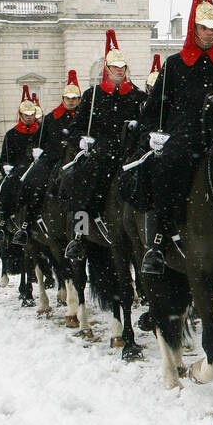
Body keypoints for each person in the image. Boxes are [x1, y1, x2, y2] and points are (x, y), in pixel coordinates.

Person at [135, 0, 213, 274]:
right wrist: (151, 135)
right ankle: (158, 241)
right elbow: (153, 109)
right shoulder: (174, 65)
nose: (210, 34)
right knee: (167, 167)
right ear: (193, 29)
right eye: (204, 28)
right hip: (185, 135)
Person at [64, 32, 146, 260]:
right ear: (107, 69)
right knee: (83, 177)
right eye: (115, 67)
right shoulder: (92, 96)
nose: (119, 71)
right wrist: (82, 140)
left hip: (131, 150)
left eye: (122, 67)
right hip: (103, 150)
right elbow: (75, 129)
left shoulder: (137, 96)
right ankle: (79, 236)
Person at [12, 70, 82, 244]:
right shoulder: (51, 118)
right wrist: (35, 150)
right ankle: (26, 225)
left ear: (79, 99)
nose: (71, 101)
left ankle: (84, 230)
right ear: (63, 98)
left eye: (74, 98)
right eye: (68, 98)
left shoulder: (85, 117)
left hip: (78, 158)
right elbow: (36, 142)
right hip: (53, 158)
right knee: (33, 182)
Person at [0, 85, 40, 240]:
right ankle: (2, 223)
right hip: (18, 169)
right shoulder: (11, 134)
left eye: (31, 114)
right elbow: (4, 158)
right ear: (20, 115)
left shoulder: (41, 131)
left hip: (37, 167)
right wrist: (5, 167)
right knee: (6, 188)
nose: (29, 117)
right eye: (26, 114)